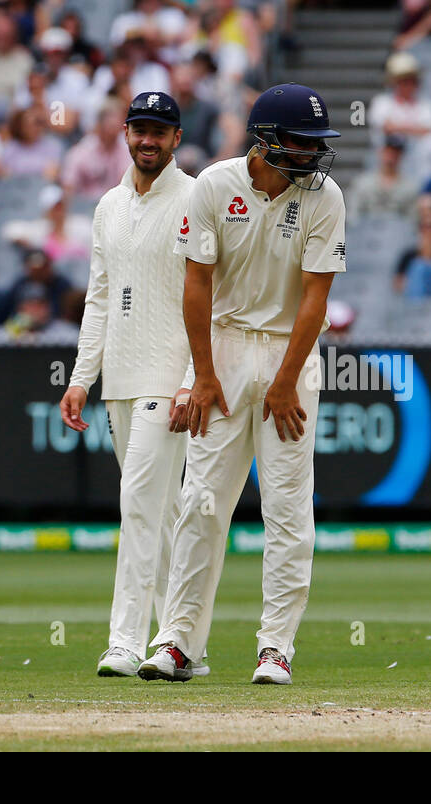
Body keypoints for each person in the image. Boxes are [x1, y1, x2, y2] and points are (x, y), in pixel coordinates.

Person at [142, 83, 346, 685]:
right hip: (225, 350)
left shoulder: (325, 197)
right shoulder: (214, 184)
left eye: (316, 144)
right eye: (300, 143)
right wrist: (201, 376)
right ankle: (179, 642)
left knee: (286, 509)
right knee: (202, 503)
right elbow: (197, 284)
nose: (311, 154)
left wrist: (285, 382)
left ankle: (275, 647)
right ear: (264, 140)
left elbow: (315, 300)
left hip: (292, 353)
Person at [58, 91, 206, 678]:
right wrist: (80, 379)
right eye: (139, 129)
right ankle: (182, 643)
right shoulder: (108, 206)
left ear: (175, 139)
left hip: (168, 379)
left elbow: (208, 299)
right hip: (119, 378)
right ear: (126, 133)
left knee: (139, 508)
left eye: (159, 131)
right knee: (160, 512)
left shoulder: (196, 197)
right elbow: (98, 296)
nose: (148, 140)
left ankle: (124, 640)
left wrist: (193, 381)